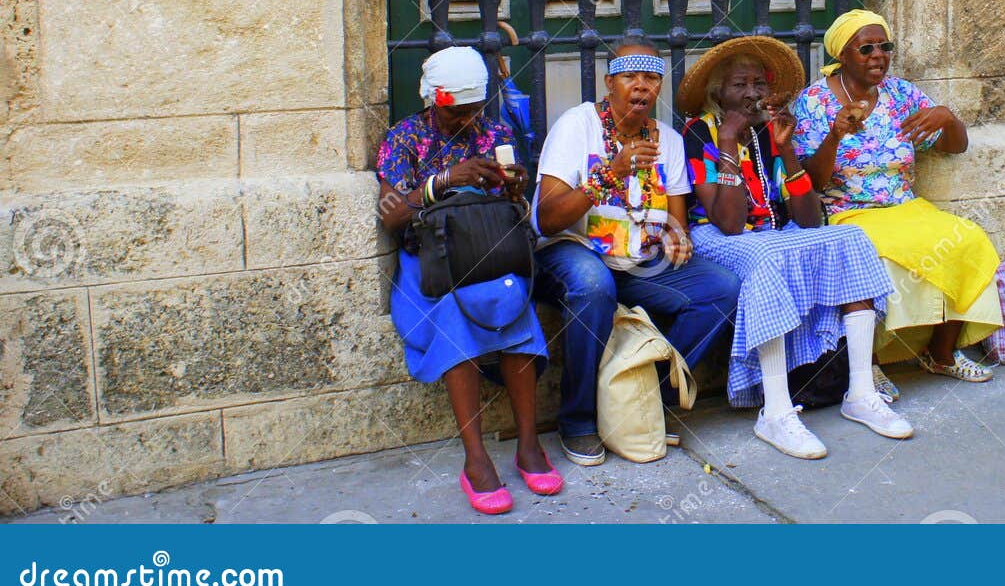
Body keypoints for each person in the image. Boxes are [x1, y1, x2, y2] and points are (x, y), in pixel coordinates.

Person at [678, 36, 909, 459]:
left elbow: (805, 217)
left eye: (758, 85)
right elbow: (728, 223)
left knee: (850, 239)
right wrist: (728, 143)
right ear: (718, 93)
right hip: (718, 236)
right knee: (766, 257)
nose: (751, 94)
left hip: (775, 230)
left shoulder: (771, 131)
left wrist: (786, 149)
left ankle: (860, 391)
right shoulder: (699, 132)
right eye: (739, 86)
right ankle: (777, 413)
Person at [532, 36, 741, 467]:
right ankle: (579, 420)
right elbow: (547, 220)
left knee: (721, 288)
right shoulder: (578, 125)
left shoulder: (666, 138)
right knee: (593, 285)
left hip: (640, 261)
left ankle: (646, 402)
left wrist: (676, 237)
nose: (641, 87)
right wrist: (610, 173)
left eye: (651, 78)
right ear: (609, 84)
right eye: (630, 77)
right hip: (574, 252)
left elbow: (677, 219)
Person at [376, 46, 561, 516]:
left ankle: (527, 444)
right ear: (434, 101)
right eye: (456, 112)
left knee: (514, 299)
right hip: (431, 267)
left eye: (473, 109)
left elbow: (516, 205)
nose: (466, 120)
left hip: (489, 254)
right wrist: (443, 181)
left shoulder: (495, 131)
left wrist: (513, 185)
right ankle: (475, 459)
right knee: (453, 312)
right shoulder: (404, 138)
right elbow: (392, 215)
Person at [792, 10, 1005, 392]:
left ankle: (941, 354)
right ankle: (867, 364)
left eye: (885, 46)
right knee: (873, 255)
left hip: (904, 206)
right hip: (847, 211)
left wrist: (948, 118)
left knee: (965, 239)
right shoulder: (814, 102)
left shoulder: (901, 94)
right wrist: (835, 135)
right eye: (866, 48)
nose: (878, 55)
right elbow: (810, 181)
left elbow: (955, 146)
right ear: (843, 55)